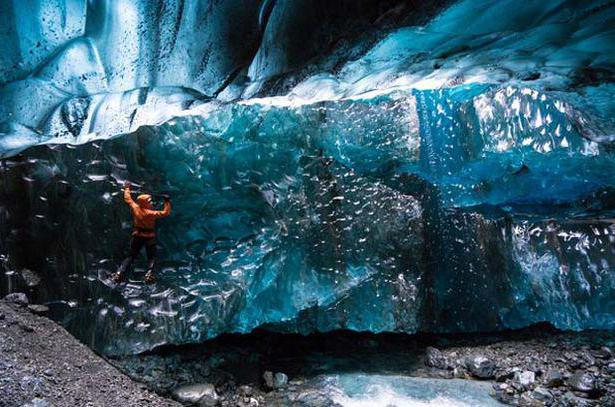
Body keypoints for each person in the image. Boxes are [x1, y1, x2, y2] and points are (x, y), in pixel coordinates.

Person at [112, 181, 171, 284]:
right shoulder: (151, 213)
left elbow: (128, 199)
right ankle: (149, 273)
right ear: (146, 203)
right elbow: (166, 212)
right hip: (149, 237)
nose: (151, 202)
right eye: (149, 201)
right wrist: (167, 201)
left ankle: (119, 273)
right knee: (151, 257)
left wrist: (127, 188)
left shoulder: (136, 208)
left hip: (137, 236)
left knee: (130, 256)